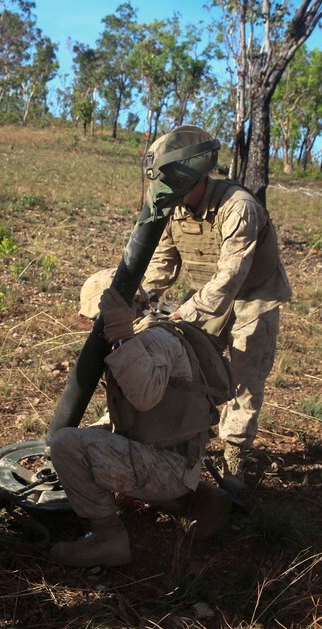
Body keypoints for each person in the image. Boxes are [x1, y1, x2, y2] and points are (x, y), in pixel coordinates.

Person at [48, 271, 233, 567]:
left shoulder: (154, 339)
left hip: (168, 465)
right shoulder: (147, 334)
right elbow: (134, 413)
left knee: (66, 445)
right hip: (173, 458)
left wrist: (120, 331)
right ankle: (183, 500)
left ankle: (109, 540)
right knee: (81, 440)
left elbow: (144, 396)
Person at [141, 126, 291, 479]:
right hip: (208, 295)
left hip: (254, 299)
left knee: (245, 378)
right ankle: (186, 438)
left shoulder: (239, 207)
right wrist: (142, 297)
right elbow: (163, 262)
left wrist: (182, 314)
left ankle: (235, 458)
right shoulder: (172, 207)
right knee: (192, 370)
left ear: (193, 176)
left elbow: (230, 278)